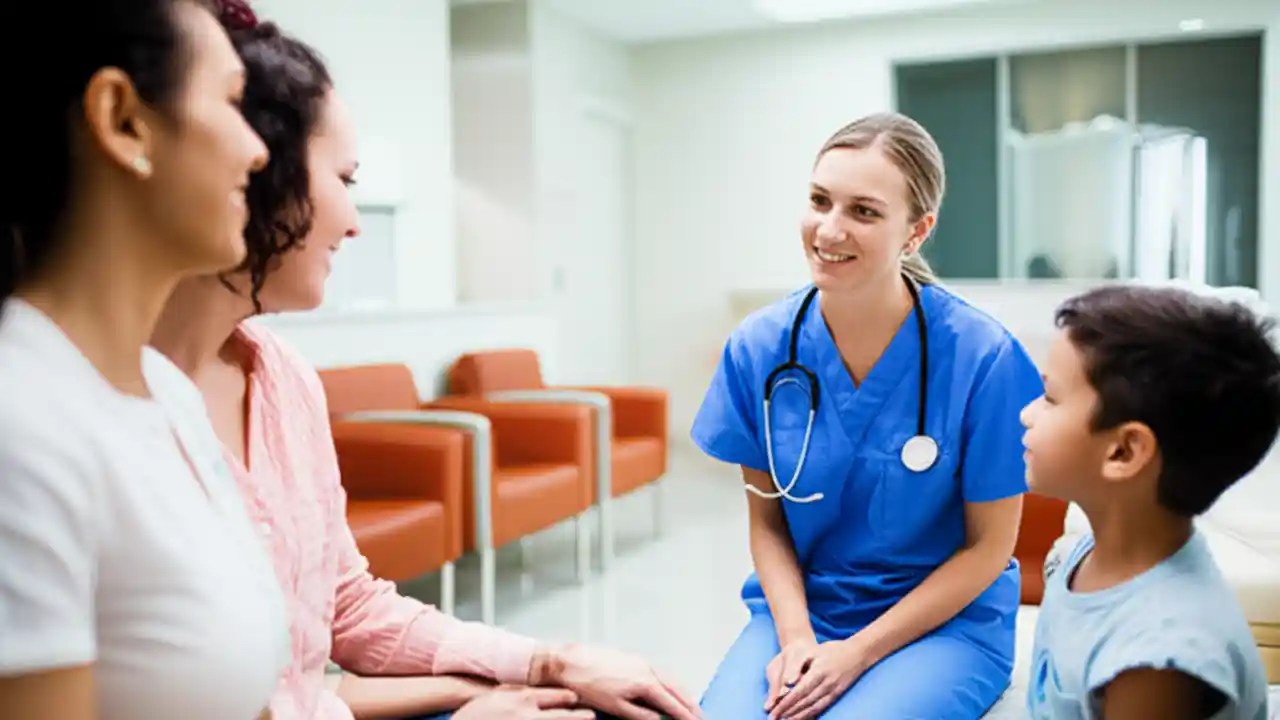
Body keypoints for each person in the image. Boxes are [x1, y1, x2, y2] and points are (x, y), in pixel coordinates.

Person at [149, 4, 701, 720]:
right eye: (345, 179)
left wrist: (545, 665)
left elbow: (345, 609)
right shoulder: (99, 409)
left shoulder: (283, 379)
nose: (355, 220)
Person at [690, 112, 1042, 720]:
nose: (829, 229)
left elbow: (990, 548)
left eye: (864, 211)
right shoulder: (760, 349)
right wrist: (798, 638)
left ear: (917, 230)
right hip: (805, 611)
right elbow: (768, 525)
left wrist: (855, 654)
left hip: (945, 624)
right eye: (820, 200)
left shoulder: (982, 357)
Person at [0, 1, 289, 719]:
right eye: (230, 101)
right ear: (123, 119)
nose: (258, 150)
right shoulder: (22, 425)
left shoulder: (167, 392)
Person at [1021, 284, 1277, 720]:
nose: (1028, 412)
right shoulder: (1089, 556)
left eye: (1050, 398)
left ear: (1123, 452)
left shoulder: (1157, 661)